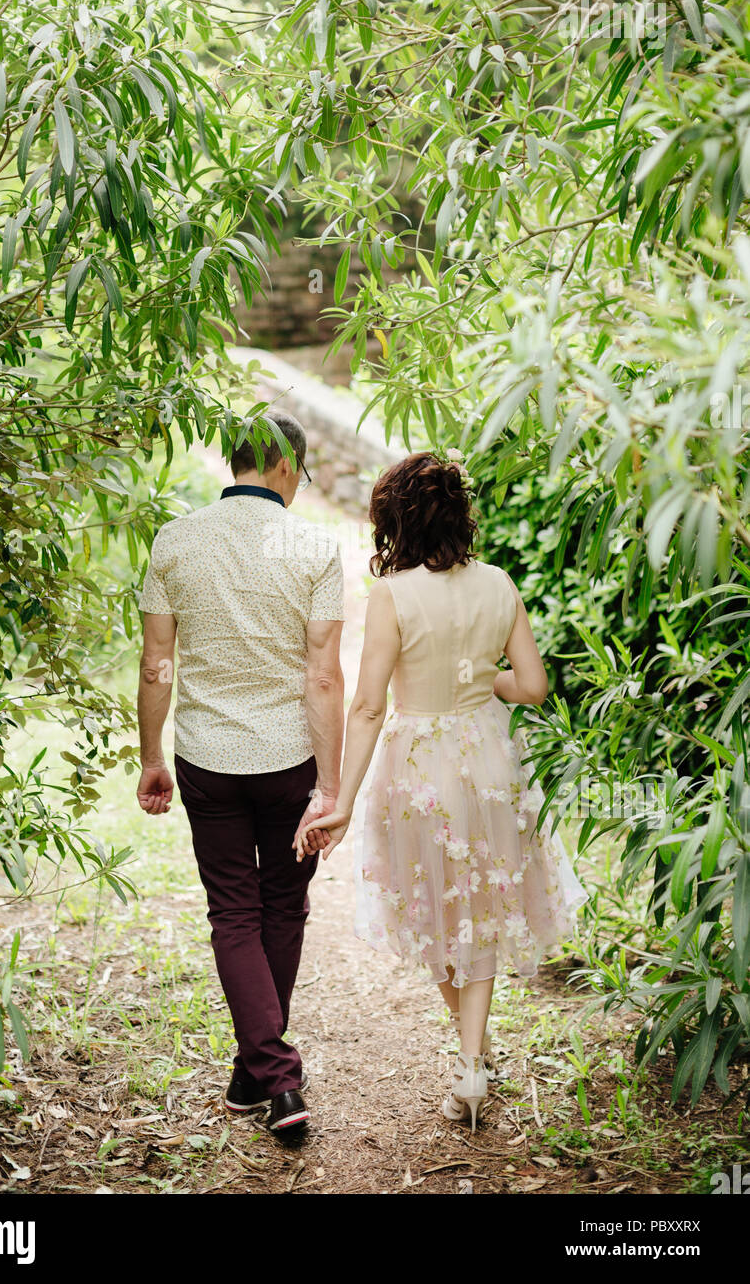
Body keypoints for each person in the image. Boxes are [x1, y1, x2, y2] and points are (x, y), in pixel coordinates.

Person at [296, 451, 586, 1130]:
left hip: (418, 767)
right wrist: (486, 681)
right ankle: (474, 1057)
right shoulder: (499, 583)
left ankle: (472, 1062)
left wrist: (338, 800)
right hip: (487, 759)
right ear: (459, 514)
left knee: (437, 911)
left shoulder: (393, 594)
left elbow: (367, 708)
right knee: (478, 910)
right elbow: (534, 688)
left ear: (395, 520)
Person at [136, 411, 344, 1133]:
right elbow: (323, 679)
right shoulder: (317, 545)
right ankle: (280, 1078)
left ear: (238, 461)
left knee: (233, 910)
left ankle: (256, 1070)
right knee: (283, 908)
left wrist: (151, 756)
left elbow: (157, 665)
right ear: (287, 466)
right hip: (290, 763)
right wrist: (333, 786)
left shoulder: (174, 539)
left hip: (207, 760)